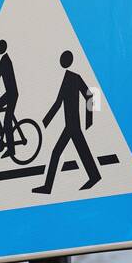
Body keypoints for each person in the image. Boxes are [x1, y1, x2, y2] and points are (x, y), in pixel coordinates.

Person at [32, 50, 100, 193]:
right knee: (80, 151)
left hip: (73, 124)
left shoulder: (73, 77)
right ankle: (94, 175)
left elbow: (91, 95)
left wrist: (90, 119)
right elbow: (58, 102)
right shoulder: (67, 78)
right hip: (70, 125)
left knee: (57, 152)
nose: (61, 62)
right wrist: (45, 121)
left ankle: (48, 187)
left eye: (63, 59)